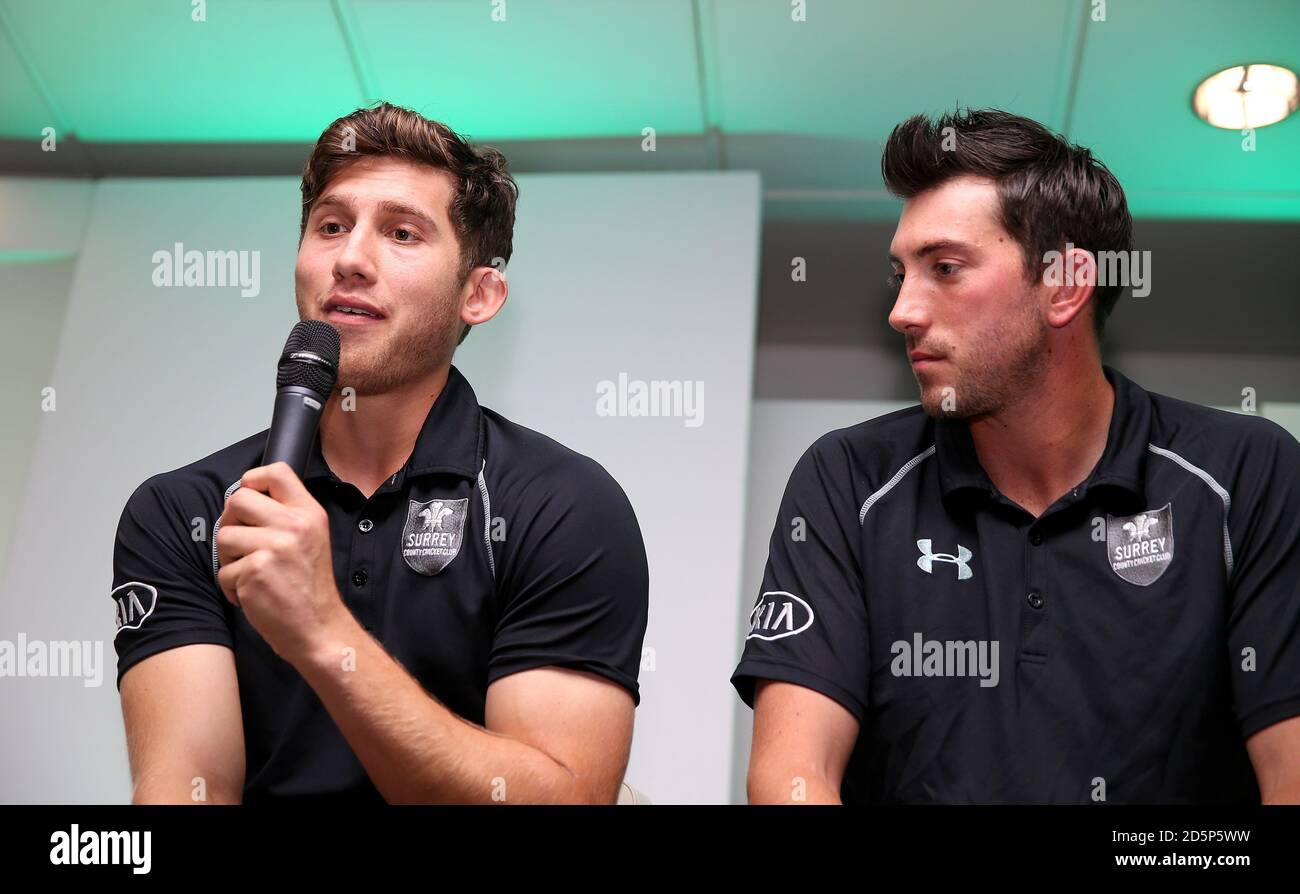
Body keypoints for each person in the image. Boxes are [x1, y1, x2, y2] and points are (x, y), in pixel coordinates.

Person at [732, 109, 1300, 804]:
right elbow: (793, 776)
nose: (903, 311)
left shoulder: (1247, 474)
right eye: (901, 273)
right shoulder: (848, 481)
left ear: (1064, 285)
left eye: (944, 268)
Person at [111, 102, 649, 803]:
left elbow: (562, 798)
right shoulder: (182, 510)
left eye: (401, 233)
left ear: (479, 295)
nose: (350, 259)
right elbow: (189, 792)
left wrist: (321, 629)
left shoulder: (563, 505)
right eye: (331, 226)